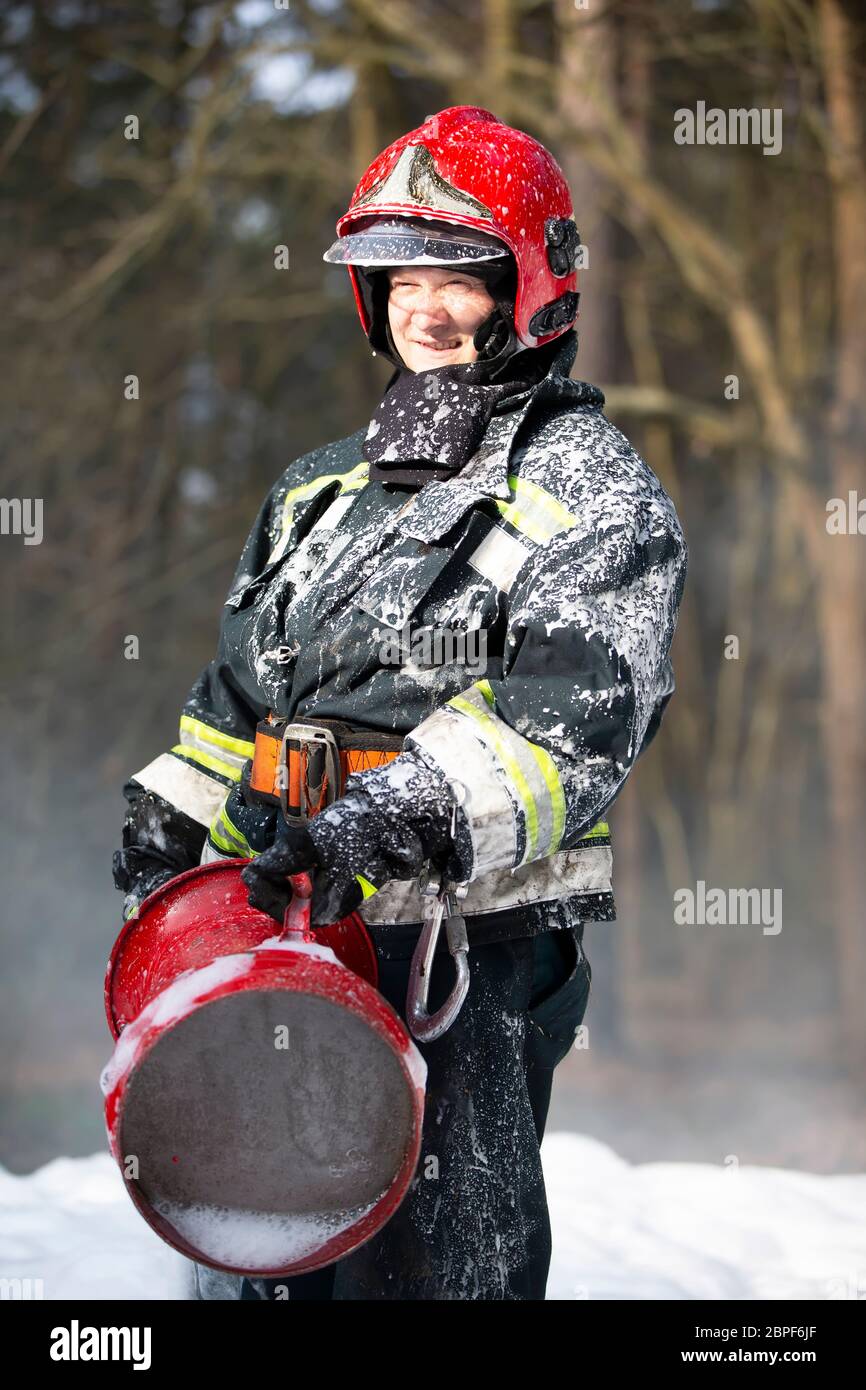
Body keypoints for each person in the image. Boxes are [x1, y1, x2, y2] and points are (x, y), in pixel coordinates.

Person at [112, 105, 687, 1300]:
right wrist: (179, 812)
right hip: (290, 931)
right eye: (397, 276)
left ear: (528, 289)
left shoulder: (589, 486)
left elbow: (571, 715)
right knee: (262, 1247)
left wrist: (387, 818)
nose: (423, 307)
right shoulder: (318, 487)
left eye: (458, 278)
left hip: (463, 962)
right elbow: (239, 698)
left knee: (435, 1274)